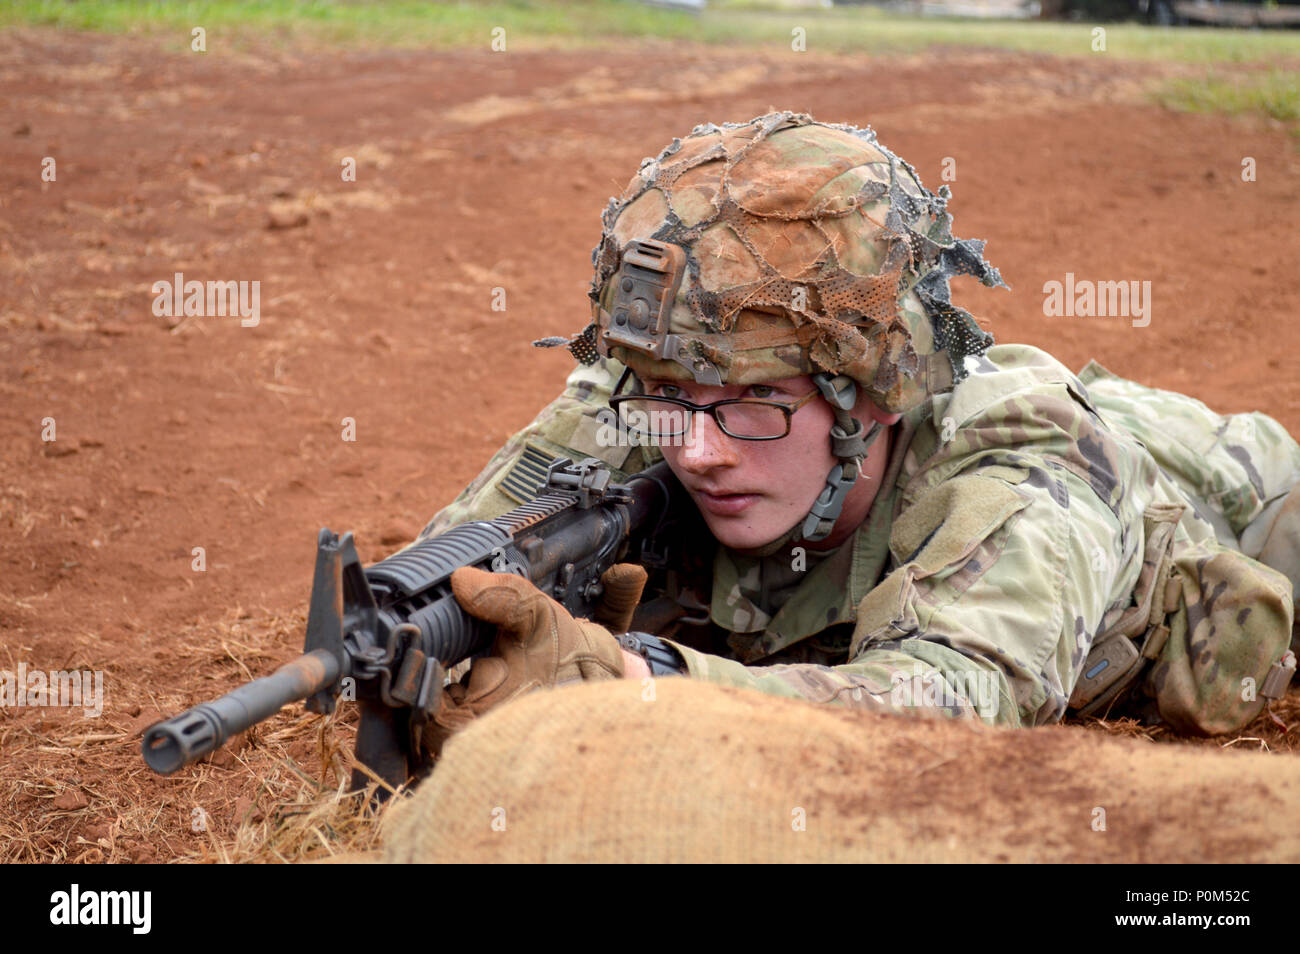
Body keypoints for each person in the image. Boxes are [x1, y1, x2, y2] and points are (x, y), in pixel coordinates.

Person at [419, 111, 1299, 754]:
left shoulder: (1026, 463)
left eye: (756, 402)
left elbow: (957, 702)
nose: (693, 448)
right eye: (665, 394)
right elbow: (448, 573)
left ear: (874, 395)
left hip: (1229, 490)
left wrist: (640, 682)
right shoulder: (653, 401)